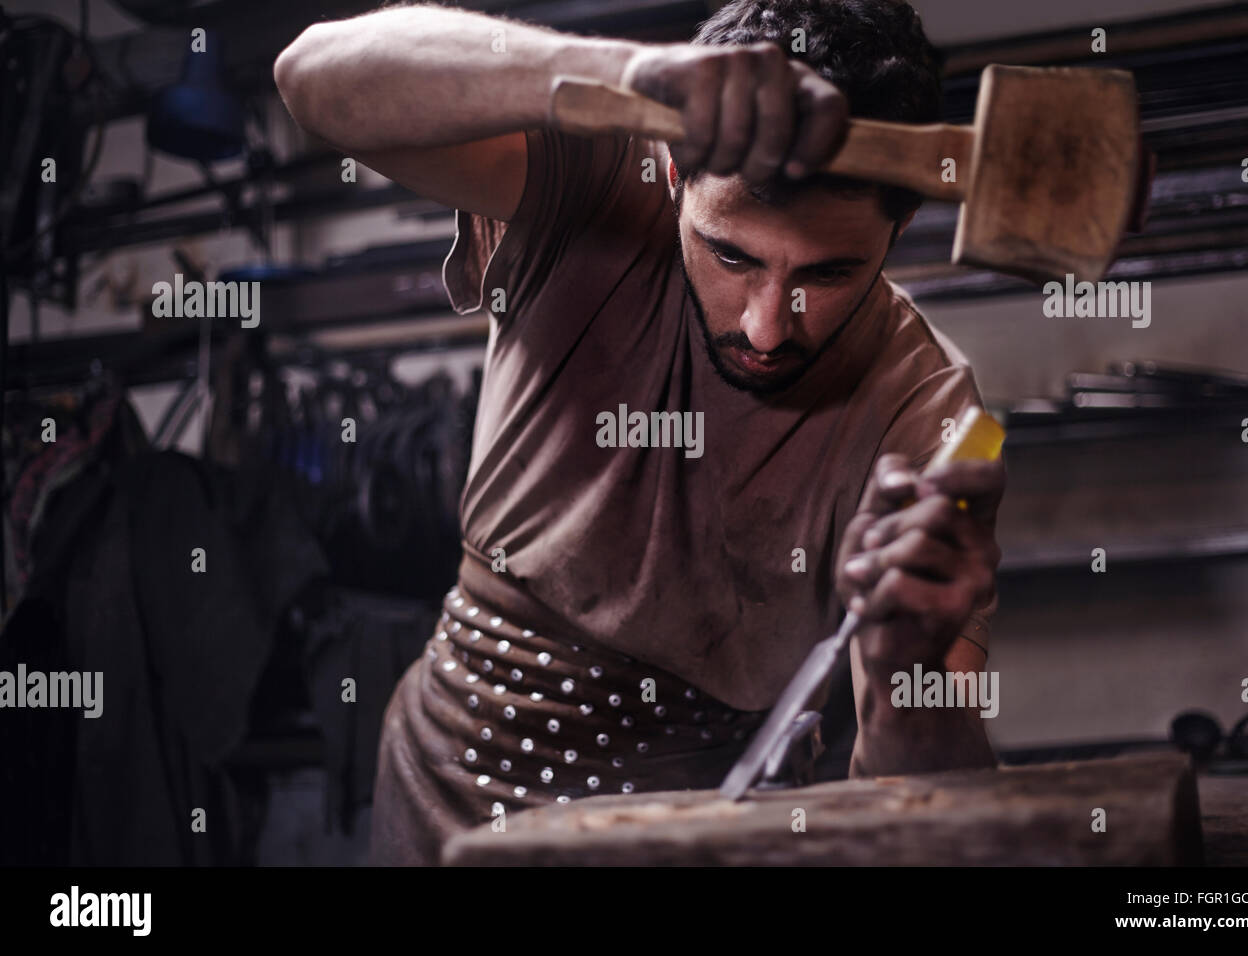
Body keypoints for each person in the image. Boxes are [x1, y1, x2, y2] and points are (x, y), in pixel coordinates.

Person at [275, 0, 1005, 865]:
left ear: (902, 228)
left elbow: (923, 810)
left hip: (701, 841)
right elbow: (314, 79)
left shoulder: (936, 419)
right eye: (732, 256)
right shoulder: (592, 191)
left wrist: (904, 679)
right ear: (670, 169)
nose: (768, 327)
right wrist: (628, 80)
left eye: (830, 273)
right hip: (445, 799)